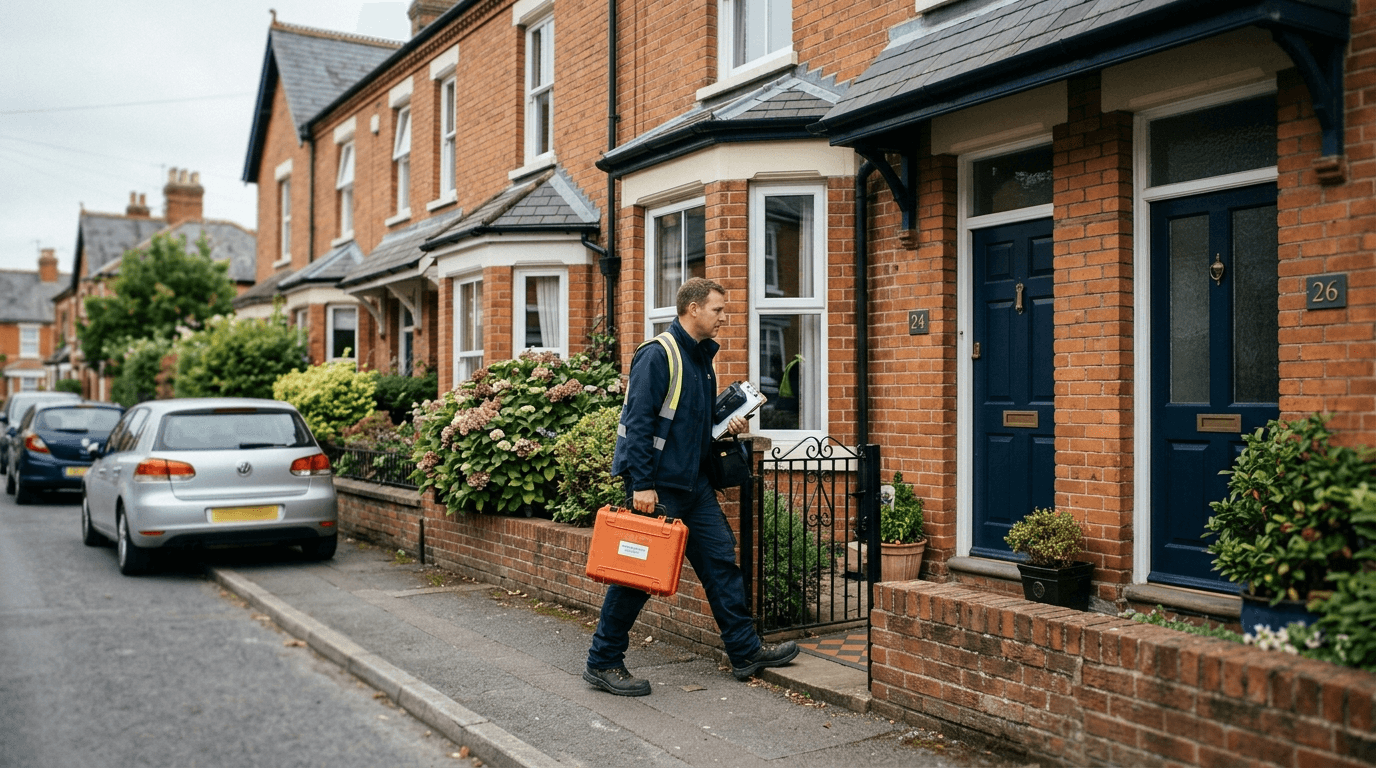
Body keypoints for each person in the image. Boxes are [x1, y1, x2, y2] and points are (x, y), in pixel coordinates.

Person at [583, 277, 798, 697]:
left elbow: (690, 427)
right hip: (658, 488)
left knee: (721, 562)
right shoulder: (658, 355)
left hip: (693, 484)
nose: (724, 318)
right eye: (718, 310)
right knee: (638, 577)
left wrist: (725, 427)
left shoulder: (702, 360)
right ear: (693, 308)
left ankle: (744, 651)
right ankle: (603, 661)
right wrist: (641, 485)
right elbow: (638, 424)